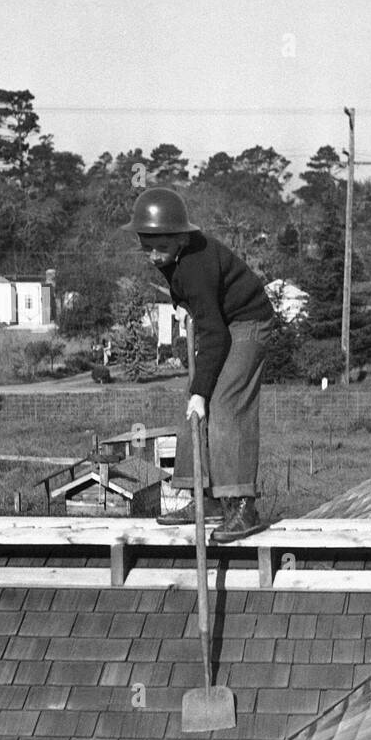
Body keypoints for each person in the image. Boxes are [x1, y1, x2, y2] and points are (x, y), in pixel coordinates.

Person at [122, 187, 276, 541]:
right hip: (220, 322)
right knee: (195, 408)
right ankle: (205, 501)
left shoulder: (196, 264)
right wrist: (197, 393)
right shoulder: (172, 257)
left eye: (161, 246)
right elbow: (205, 315)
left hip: (248, 322)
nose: (153, 255)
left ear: (180, 238)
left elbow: (216, 335)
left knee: (224, 405)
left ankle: (241, 507)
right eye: (147, 246)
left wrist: (201, 391)